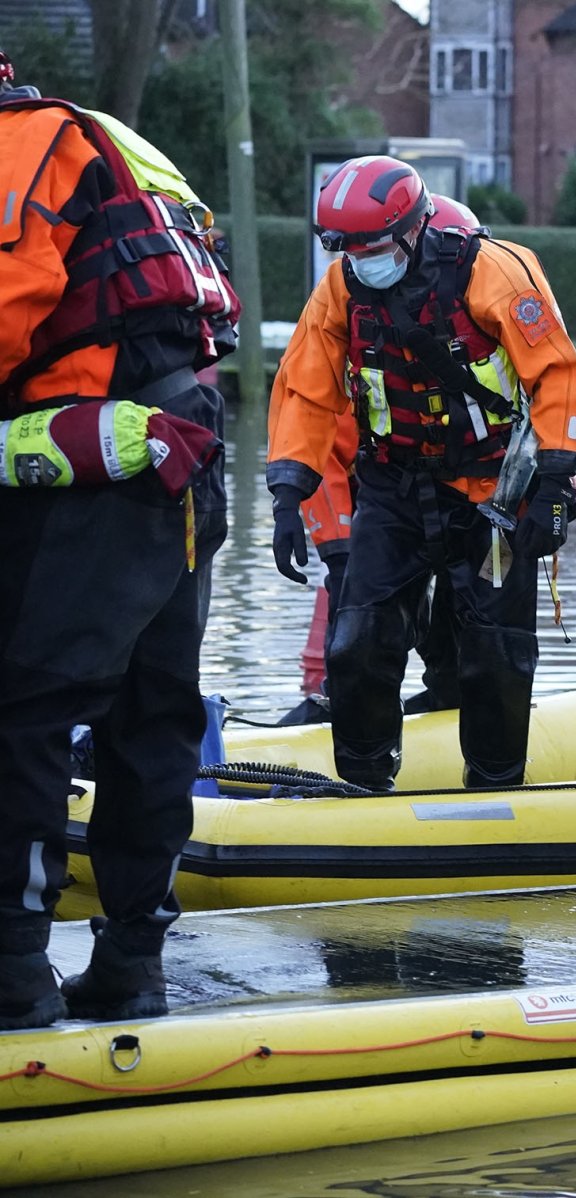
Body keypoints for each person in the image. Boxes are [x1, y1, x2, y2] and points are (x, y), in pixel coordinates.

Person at [0, 47, 234, 1028]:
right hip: (183, 454)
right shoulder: (117, 142)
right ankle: (132, 960)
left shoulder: (20, 149)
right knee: (153, 712)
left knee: (25, 711)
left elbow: (9, 314)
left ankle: (12, 972)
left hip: (90, 477)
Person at [267, 156, 576, 790]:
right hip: (394, 487)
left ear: (413, 228)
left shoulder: (494, 271)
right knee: (357, 638)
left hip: (494, 489)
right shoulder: (341, 288)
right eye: (348, 250)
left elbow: (557, 374)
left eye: (374, 247)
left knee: (494, 648)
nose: (362, 261)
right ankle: (361, 781)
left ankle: (496, 782)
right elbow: (306, 390)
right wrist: (288, 491)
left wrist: (553, 484)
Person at [279, 194, 483, 726]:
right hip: (370, 497)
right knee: (356, 615)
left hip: (450, 498)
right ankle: (331, 712)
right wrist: (335, 540)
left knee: (466, 621)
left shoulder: (479, 330)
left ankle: (453, 700)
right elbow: (317, 438)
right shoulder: (359, 334)